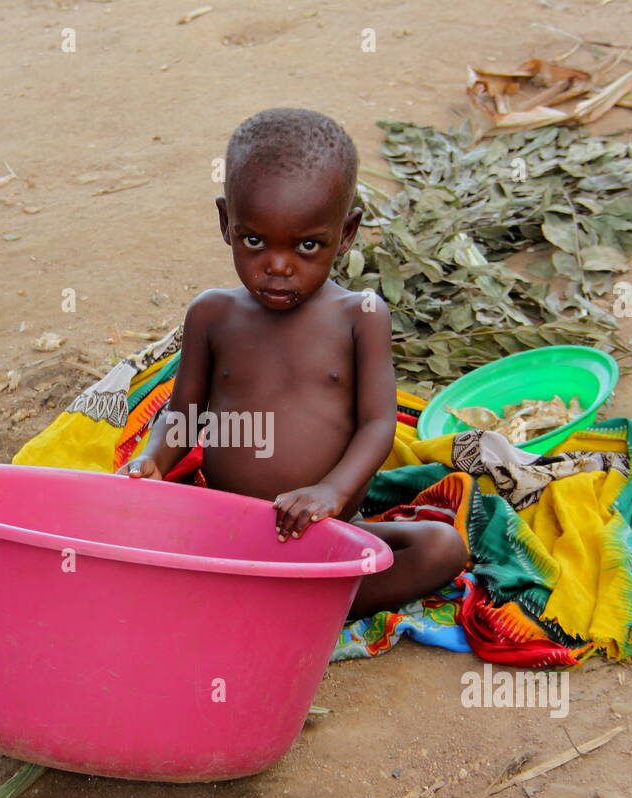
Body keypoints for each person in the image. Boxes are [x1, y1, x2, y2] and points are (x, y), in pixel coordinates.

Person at [119, 107, 466, 618]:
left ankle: (289, 606)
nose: (279, 267)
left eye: (308, 246)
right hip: (228, 531)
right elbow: (183, 414)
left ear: (346, 234)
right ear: (226, 224)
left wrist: (331, 492)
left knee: (443, 547)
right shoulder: (213, 314)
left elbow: (377, 423)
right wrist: (154, 460)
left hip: (326, 531)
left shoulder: (361, 315)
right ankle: (282, 603)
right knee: (129, 546)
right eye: (254, 240)